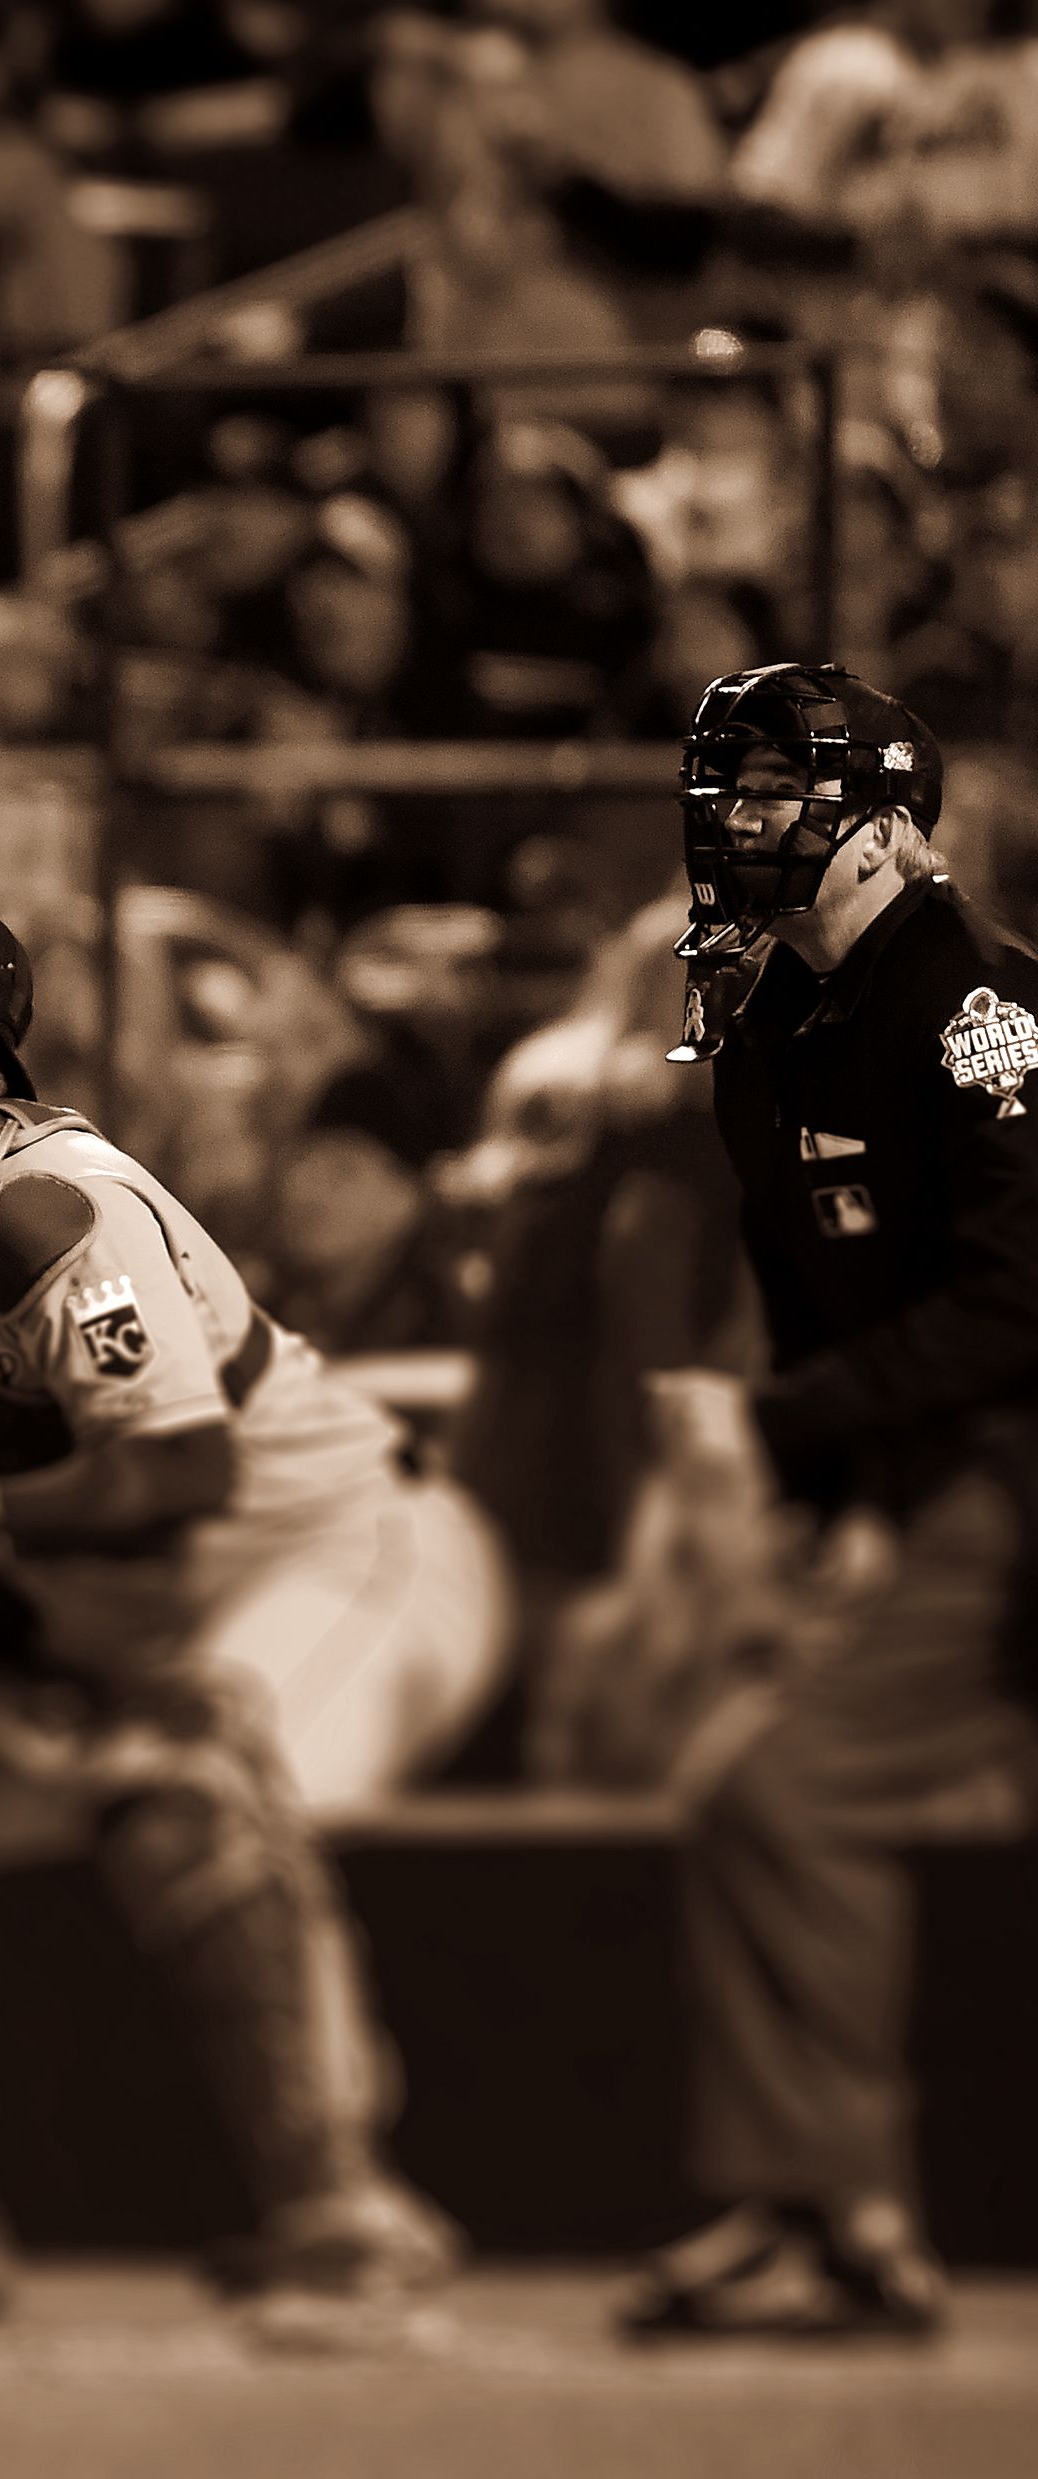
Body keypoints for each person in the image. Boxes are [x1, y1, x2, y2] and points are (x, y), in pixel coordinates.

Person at [0, 861, 502, 2343]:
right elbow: (11, 1522)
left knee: (194, 1765)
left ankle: (349, 2221)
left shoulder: (53, 1198)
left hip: (343, 1543)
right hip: (132, 1590)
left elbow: (175, 1474)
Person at [619, 663, 1038, 2341]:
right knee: (758, 1789)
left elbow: (1026, 1301)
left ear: (882, 833)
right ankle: (818, 2204)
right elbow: (817, 1293)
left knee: (782, 1790)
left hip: (1016, 1468)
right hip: (947, 1475)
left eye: (778, 789)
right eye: (725, 785)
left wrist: (785, 1421)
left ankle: (839, 2204)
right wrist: (807, 1485)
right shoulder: (767, 1030)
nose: (734, 818)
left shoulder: (981, 1003)